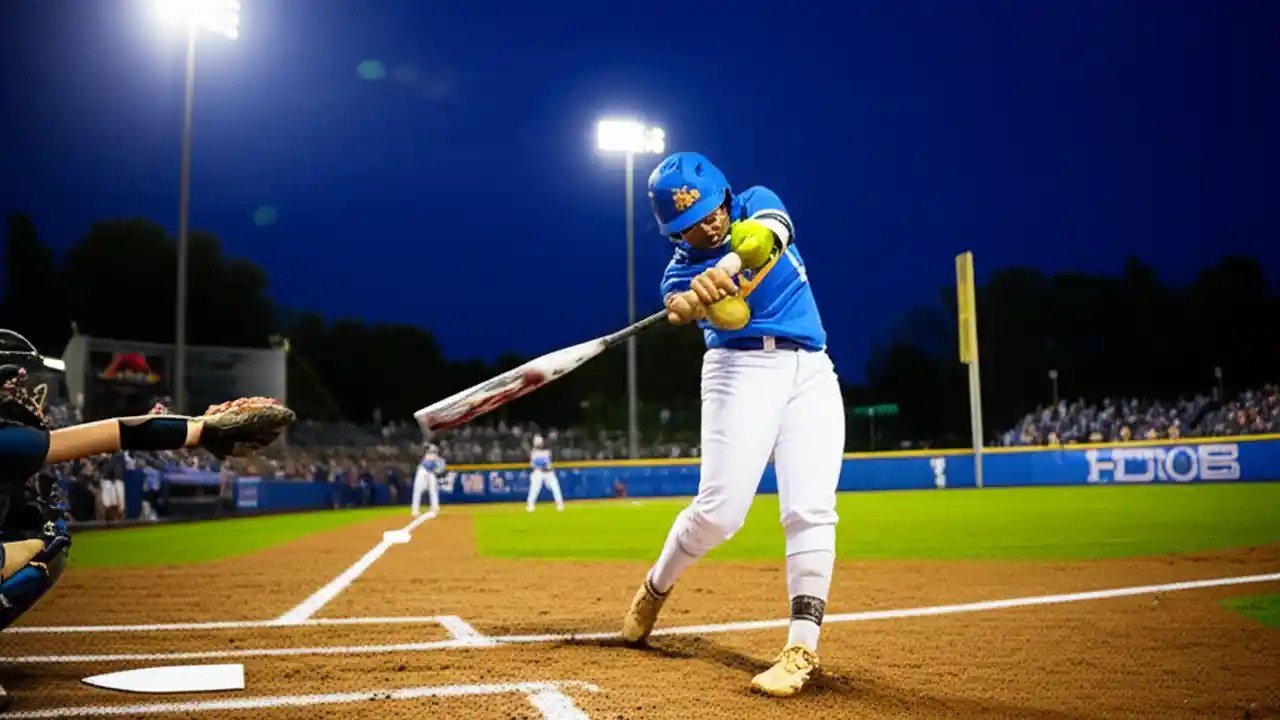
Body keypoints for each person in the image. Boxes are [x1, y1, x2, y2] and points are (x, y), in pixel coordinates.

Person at [619, 152, 844, 697]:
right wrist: (687, 303)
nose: (711, 224)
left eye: (712, 210)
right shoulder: (679, 268)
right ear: (674, 230)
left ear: (724, 194)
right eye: (692, 224)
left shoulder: (758, 202)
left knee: (810, 509)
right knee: (720, 514)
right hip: (740, 371)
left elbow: (765, 237)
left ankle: (800, 648)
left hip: (811, 367)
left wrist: (723, 270)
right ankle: (655, 587)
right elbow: (690, 306)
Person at [525, 434, 562, 512]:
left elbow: (547, 462)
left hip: (549, 472)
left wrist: (547, 465)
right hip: (538, 472)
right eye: (538, 443)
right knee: (534, 489)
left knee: (555, 487)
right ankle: (530, 505)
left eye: (540, 442)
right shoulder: (534, 452)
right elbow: (534, 464)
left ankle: (559, 504)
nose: (540, 444)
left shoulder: (547, 450)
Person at [411, 443, 444, 518]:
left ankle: (432, 509)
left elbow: (439, 470)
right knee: (421, 491)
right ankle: (417, 510)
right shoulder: (435, 458)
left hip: (427, 472)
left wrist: (436, 470)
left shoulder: (437, 459)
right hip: (425, 471)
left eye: (434, 451)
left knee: (428, 492)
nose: (433, 452)